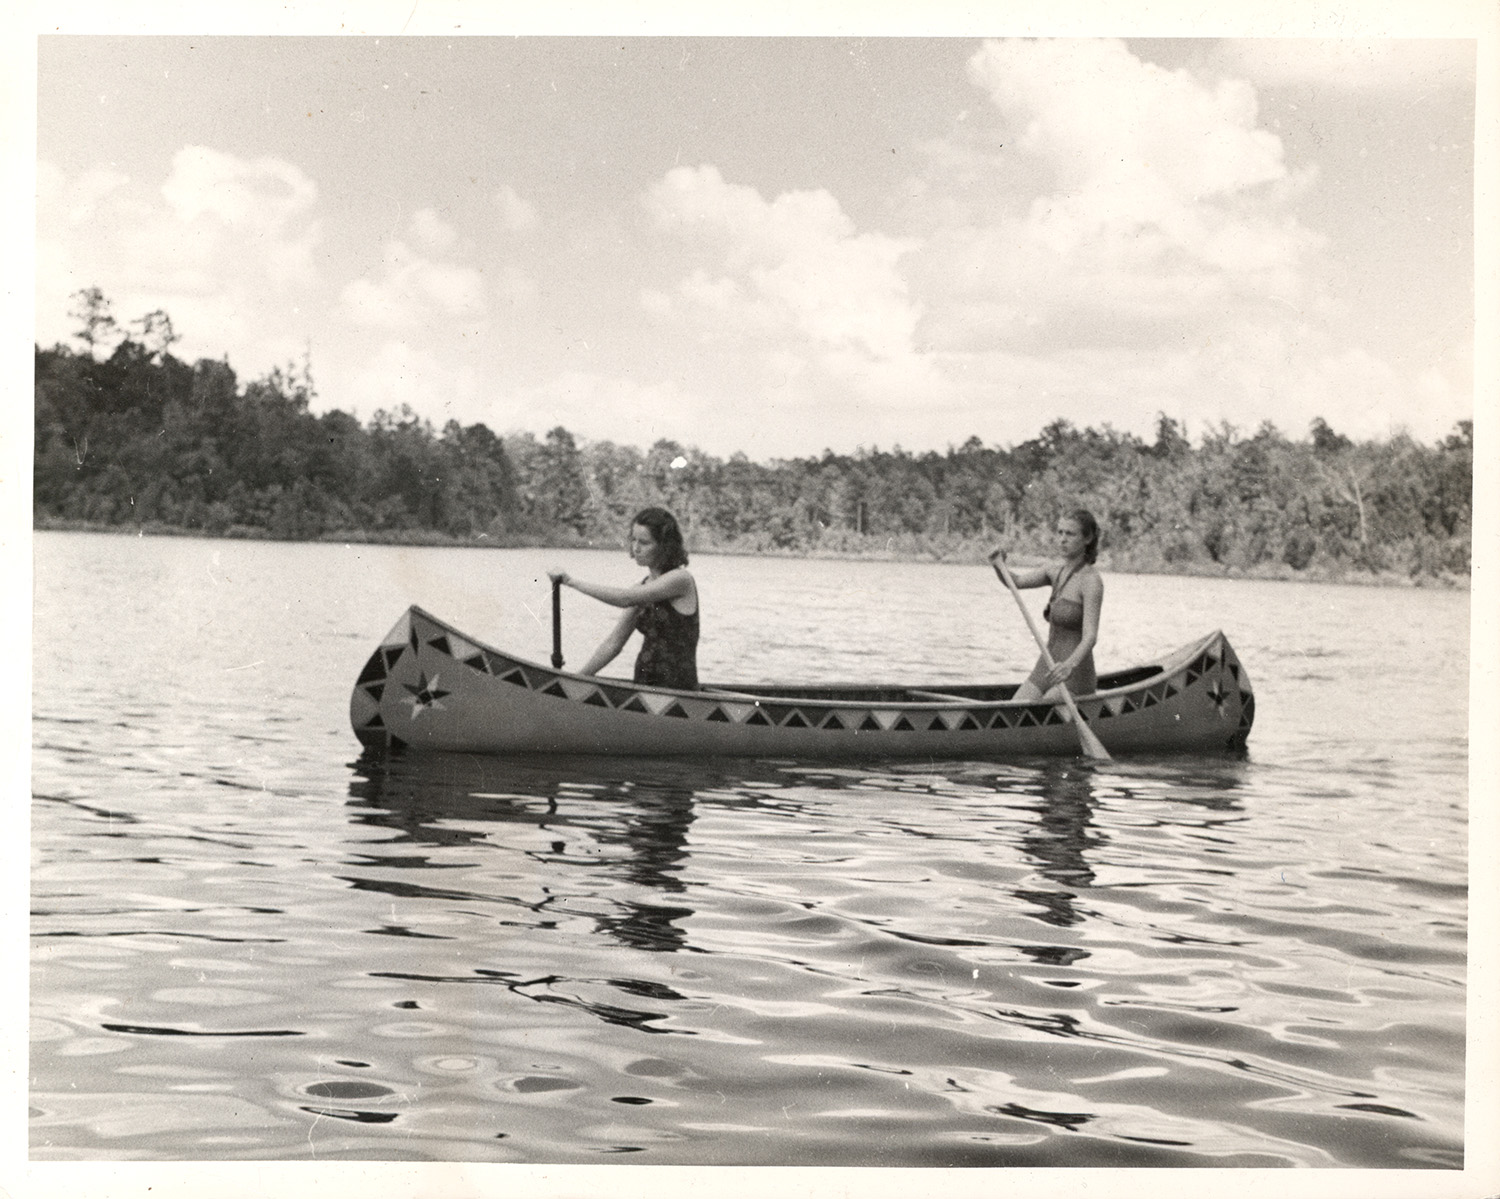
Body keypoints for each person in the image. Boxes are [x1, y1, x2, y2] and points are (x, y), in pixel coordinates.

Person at [549, 507, 699, 690]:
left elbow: (624, 599)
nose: (636, 548)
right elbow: (613, 644)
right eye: (633, 540)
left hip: (678, 690)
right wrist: (577, 679)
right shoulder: (641, 588)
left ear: (664, 546)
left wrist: (570, 582)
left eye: (644, 542)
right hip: (643, 686)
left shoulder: (680, 580)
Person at [990, 508, 1103, 701]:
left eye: (1070, 533)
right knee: (1014, 708)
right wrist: (998, 565)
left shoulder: (1091, 581)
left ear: (1088, 538)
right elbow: (1015, 583)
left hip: (1075, 674)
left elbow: (1090, 637)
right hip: (1046, 667)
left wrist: (1069, 665)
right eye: (1060, 532)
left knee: (1045, 707)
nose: (1062, 539)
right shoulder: (1053, 570)